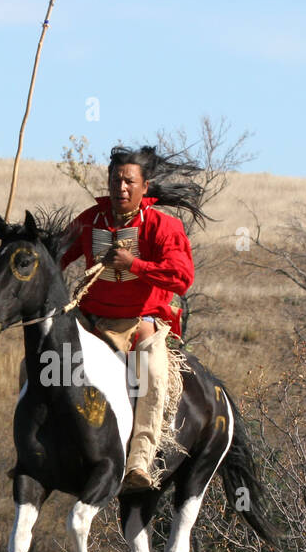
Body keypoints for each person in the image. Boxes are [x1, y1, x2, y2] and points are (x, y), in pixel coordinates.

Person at [59, 145, 203, 491]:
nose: (120, 187)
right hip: (92, 322)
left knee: (153, 375)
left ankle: (139, 461)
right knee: (53, 365)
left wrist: (134, 265)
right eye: (115, 180)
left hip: (142, 323)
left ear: (144, 186)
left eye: (128, 181)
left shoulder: (161, 226)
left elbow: (182, 277)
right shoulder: (90, 220)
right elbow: (58, 253)